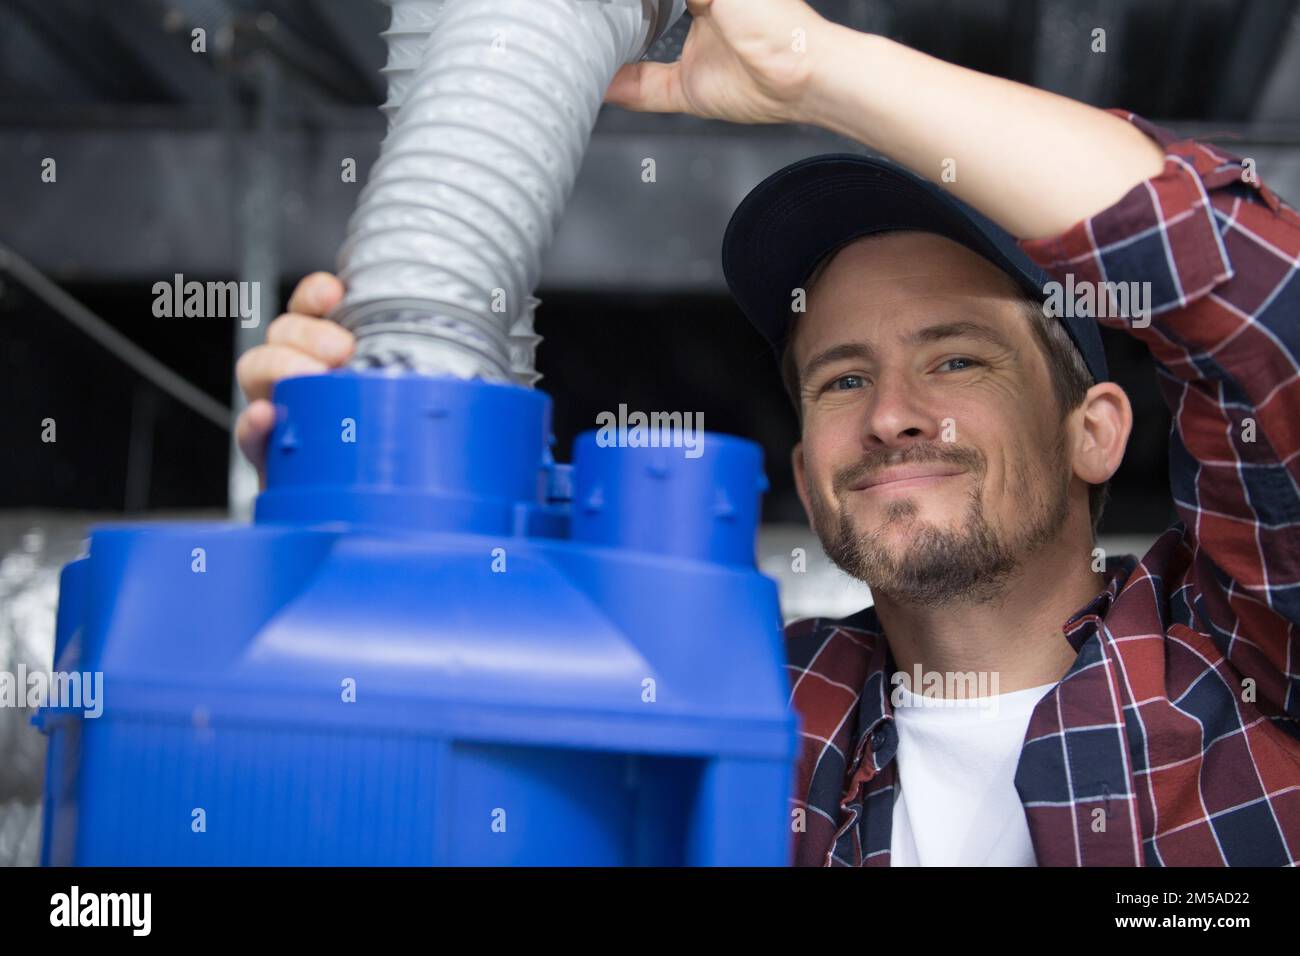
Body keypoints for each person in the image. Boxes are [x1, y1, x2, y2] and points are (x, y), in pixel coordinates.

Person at [236, 0, 1300, 866]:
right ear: (804, 464)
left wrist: (806, 65)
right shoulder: (750, 702)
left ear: (1095, 432)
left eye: (957, 358)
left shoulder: (1249, 658)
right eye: (841, 378)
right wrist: (366, 482)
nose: (889, 415)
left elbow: (1254, 292)